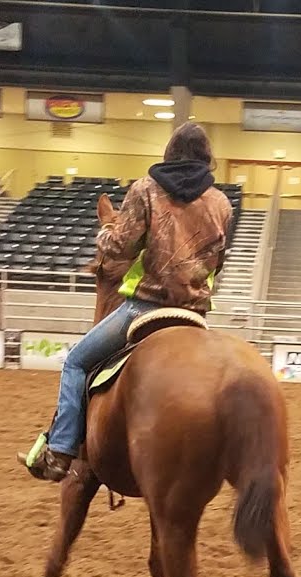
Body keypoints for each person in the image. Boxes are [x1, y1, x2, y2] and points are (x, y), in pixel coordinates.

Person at [19, 122, 233, 481]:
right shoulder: (221, 202)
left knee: (75, 362)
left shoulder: (146, 189)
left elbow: (121, 247)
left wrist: (105, 232)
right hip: (194, 314)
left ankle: (60, 451)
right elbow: (218, 260)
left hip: (146, 308)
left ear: (170, 153)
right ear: (206, 158)